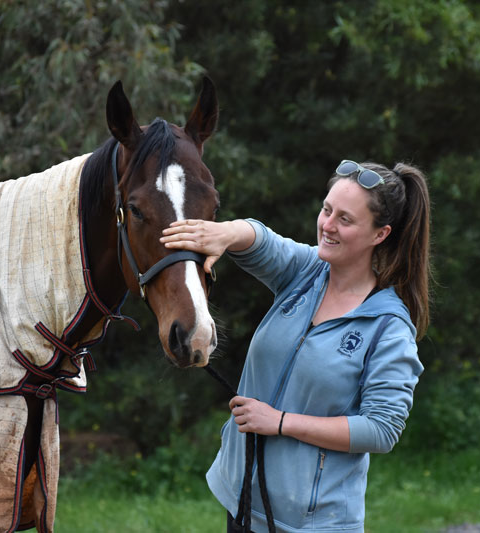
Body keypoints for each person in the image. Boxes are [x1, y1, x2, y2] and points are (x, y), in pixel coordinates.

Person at [160, 159, 430, 533]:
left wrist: (281, 423)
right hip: (243, 505)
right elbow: (259, 238)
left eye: (345, 220)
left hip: (314, 524)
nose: (328, 225)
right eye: (326, 209)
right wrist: (224, 233)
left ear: (379, 235)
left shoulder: (388, 327)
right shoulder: (306, 272)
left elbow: (381, 429)